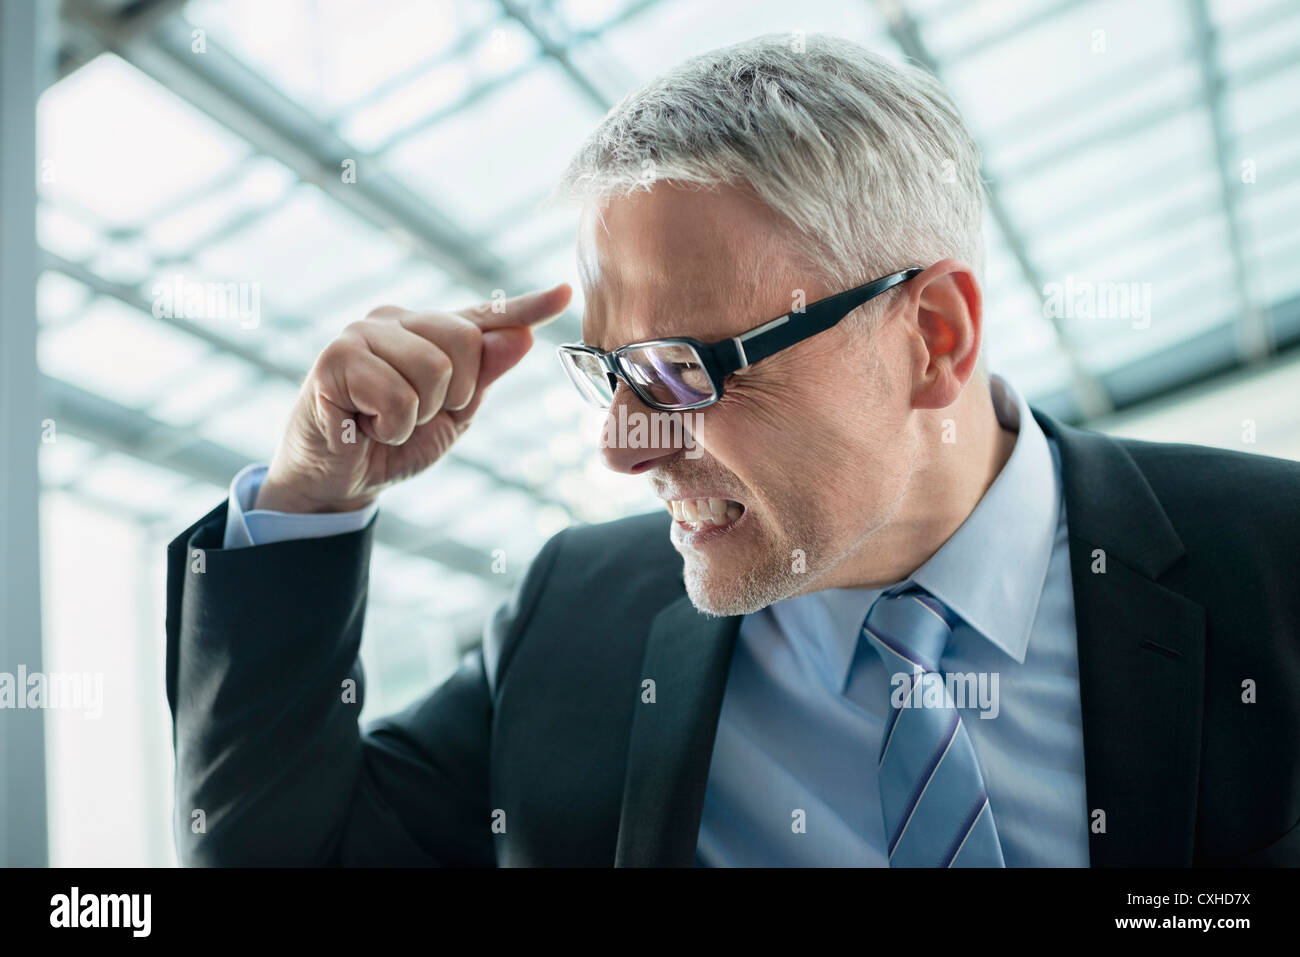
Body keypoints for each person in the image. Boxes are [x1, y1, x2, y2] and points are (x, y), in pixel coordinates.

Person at [165, 33, 1300, 866]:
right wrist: (314, 498)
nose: (621, 445)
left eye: (679, 371)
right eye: (607, 373)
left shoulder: (1275, 565)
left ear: (932, 338)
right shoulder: (579, 613)